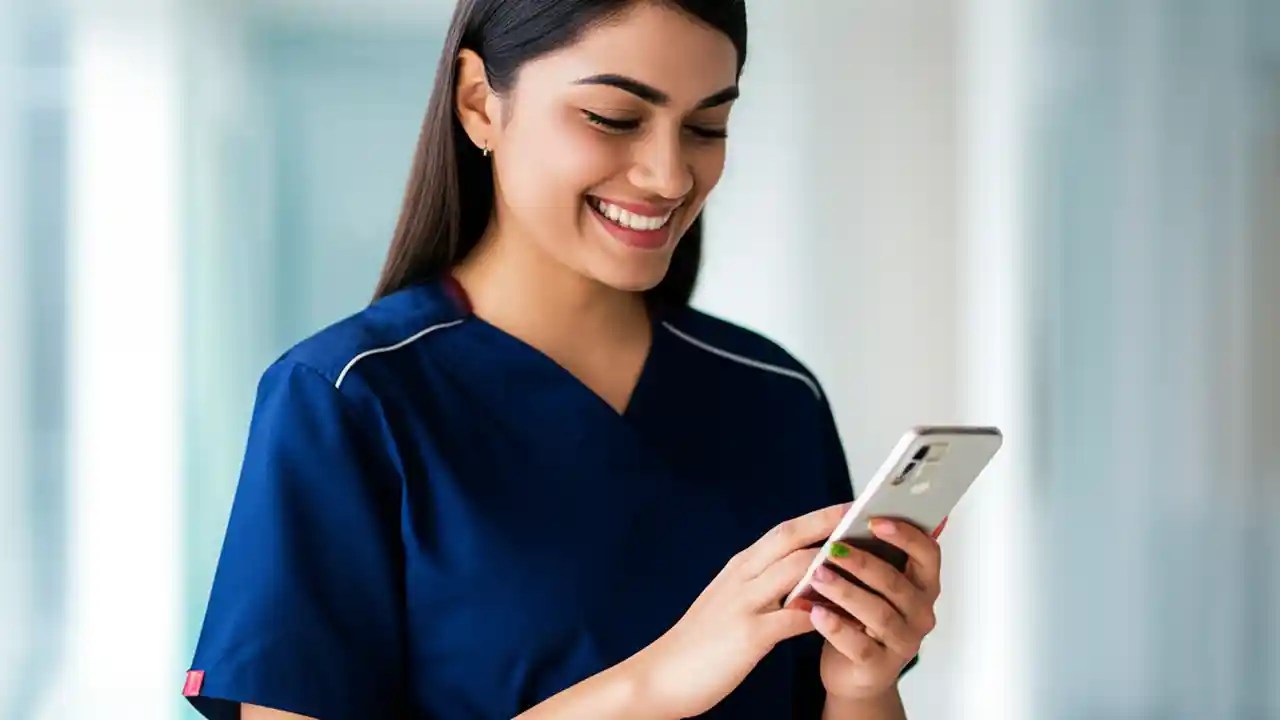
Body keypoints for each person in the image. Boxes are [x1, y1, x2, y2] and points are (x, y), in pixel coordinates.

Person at [182, 1, 944, 718]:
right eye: (613, 118)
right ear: (481, 102)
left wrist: (862, 683)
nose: (670, 175)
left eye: (707, 126)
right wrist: (652, 684)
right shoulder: (349, 399)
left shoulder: (775, 398)